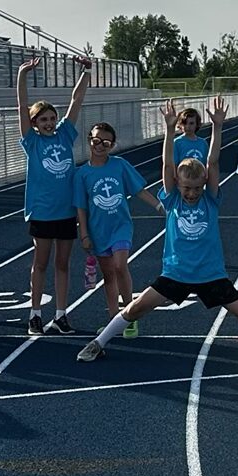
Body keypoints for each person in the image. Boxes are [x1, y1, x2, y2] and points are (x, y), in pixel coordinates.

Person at [77, 99, 238, 362]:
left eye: (197, 188)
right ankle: (98, 343)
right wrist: (169, 129)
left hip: (210, 274)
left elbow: (213, 162)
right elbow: (167, 165)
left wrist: (217, 128)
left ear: (204, 185)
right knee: (136, 308)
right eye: (187, 188)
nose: (192, 193)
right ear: (177, 184)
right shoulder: (173, 199)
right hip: (177, 273)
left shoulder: (210, 200)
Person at [17, 56, 92, 334]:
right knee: (40, 263)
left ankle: (61, 314)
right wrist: (22, 75)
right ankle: (35, 314)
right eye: (43, 119)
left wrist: (86, 71)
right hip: (42, 211)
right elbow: (21, 105)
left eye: (52, 118)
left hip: (66, 211)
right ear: (34, 122)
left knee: (63, 264)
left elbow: (77, 100)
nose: (49, 123)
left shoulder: (64, 135)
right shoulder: (32, 141)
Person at [74, 121, 162, 338]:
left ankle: (130, 316)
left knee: (120, 266)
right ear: (89, 140)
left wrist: (159, 206)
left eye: (106, 143)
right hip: (98, 231)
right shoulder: (82, 174)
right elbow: (81, 207)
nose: (100, 146)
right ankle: (114, 319)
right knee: (108, 274)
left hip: (120, 227)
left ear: (112, 145)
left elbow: (139, 190)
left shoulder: (120, 165)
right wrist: (84, 234)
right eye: (96, 140)